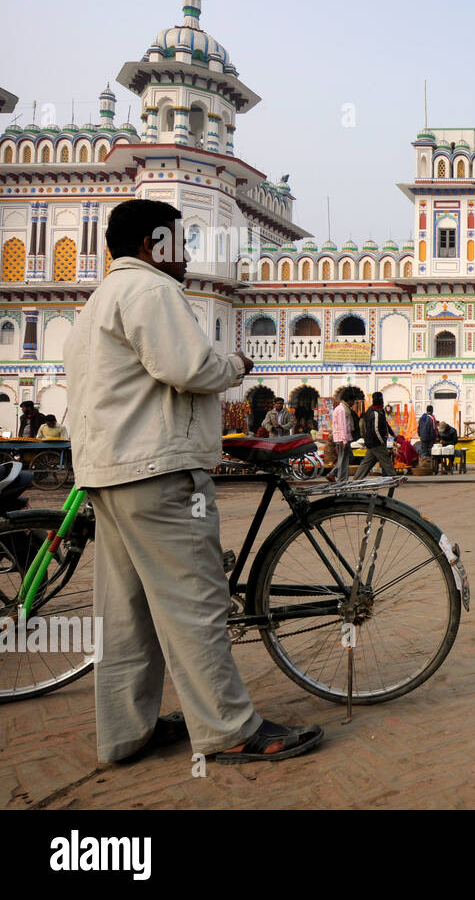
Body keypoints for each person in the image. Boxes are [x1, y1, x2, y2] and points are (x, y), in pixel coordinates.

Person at [65, 198, 322, 764]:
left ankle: (125, 733)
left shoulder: (97, 302)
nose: (187, 255)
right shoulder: (152, 291)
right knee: (197, 601)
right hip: (158, 470)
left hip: (108, 475)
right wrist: (235, 365)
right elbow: (189, 368)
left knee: (126, 613)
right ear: (152, 245)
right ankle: (227, 728)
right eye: (180, 242)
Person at [353, 392, 398, 478]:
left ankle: (356, 479)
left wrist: (392, 434)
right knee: (386, 460)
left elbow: (385, 424)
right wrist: (381, 441)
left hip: (371, 442)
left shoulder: (379, 411)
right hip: (376, 442)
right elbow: (375, 430)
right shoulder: (375, 413)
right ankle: (394, 478)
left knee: (367, 462)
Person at [328, 390, 353, 483]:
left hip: (340, 438)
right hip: (343, 438)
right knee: (343, 460)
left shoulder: (338, 408)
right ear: (349, 400)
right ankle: (340, 479)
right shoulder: (342, 410)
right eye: (353, 401)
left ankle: (334, 475)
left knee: (343, 459)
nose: (353, 403)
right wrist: (345, 440)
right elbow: (342, 425)